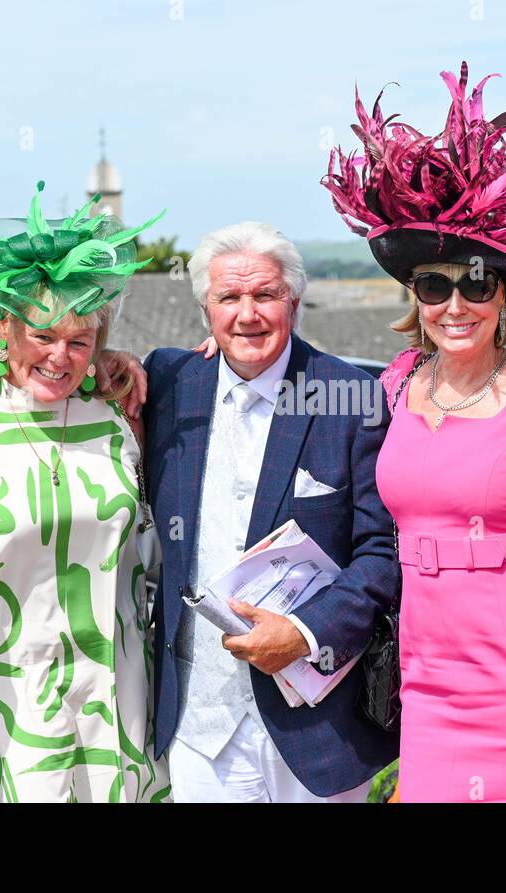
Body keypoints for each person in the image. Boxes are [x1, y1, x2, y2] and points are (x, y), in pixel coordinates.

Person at [324, 62, 506, 802]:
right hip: (431, 670)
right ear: (415, 297)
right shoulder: (391, 386)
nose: (456, 302)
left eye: (477, 283)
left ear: (504, 297)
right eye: (435, 285)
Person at [142, 221, 400, 803]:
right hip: (199, 722)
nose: (247, 314)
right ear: (205, 309)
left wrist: (307, 633)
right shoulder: (168, 382)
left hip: (317, 724)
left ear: (295, 301)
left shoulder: (350, 395)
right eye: (228, 298)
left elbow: (383, 550)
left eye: (265, 295)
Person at [0, 183, 170, 802]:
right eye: (43, 335)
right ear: (7, 329)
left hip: (117, 689)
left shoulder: (116, 417)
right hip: (11, 697)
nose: (59, 356)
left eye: (79, 340)